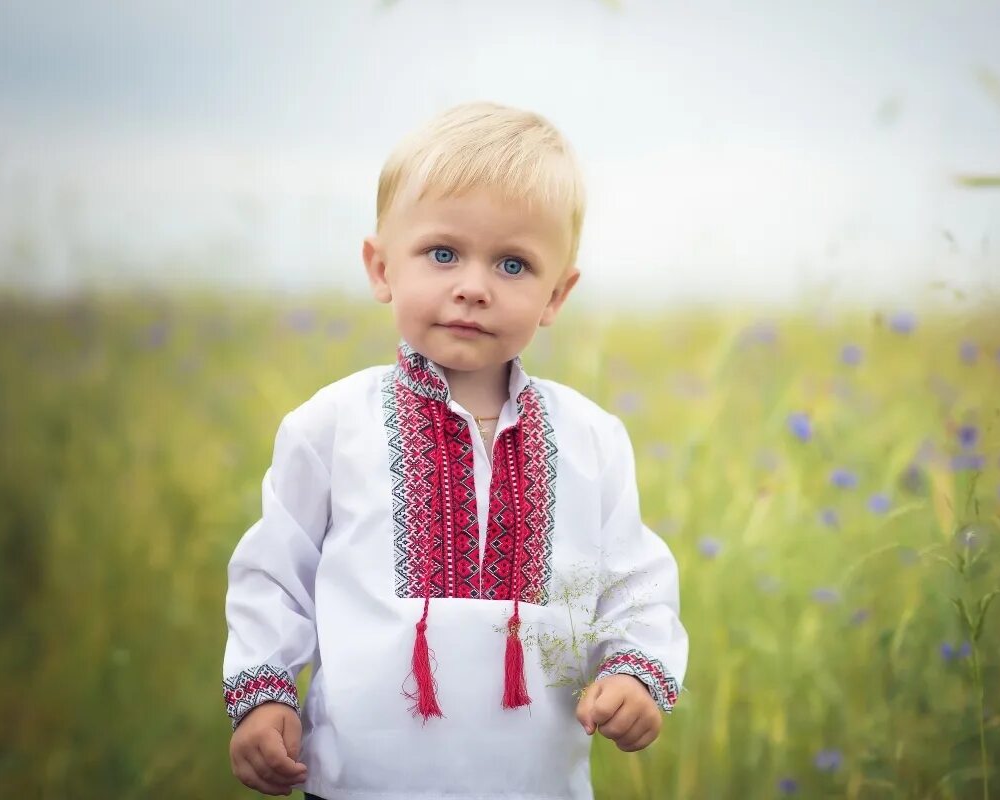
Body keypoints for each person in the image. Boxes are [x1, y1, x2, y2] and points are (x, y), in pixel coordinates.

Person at [222, 101, 688, 799]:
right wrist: (264, 696)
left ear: (557, 294)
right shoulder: (331, 425)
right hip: (358, 781)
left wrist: (634, 672)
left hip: (534, 784)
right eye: (443, 254)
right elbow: (273, 578)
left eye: (513, 264)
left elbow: (635, 583)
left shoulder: (591, 439)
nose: (473, 286)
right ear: (381, 268)